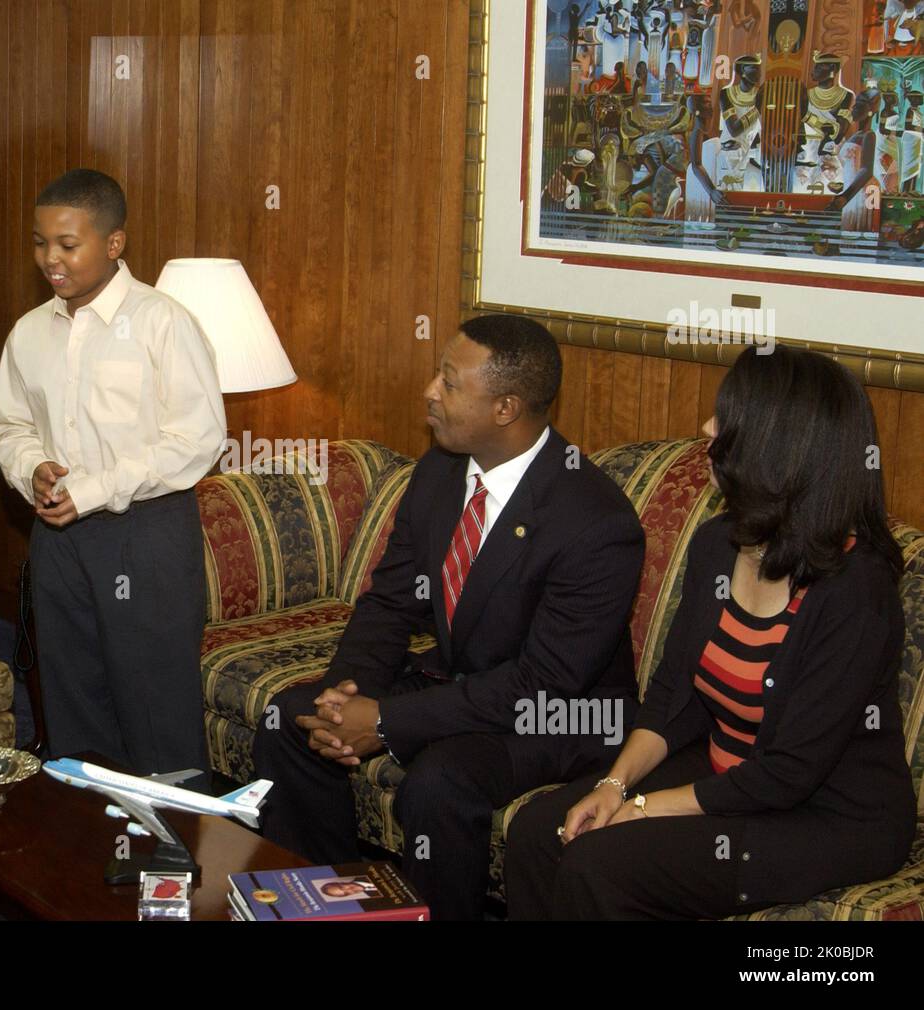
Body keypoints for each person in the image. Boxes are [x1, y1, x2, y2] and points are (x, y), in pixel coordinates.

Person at [252, 314, 645, 921]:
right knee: (290, 720)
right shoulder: (440, 469)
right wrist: (345, 694)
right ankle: (335, 907)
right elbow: (391, 598)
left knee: (439, 782)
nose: (429, 393)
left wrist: (383, 720)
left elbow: (542, 685)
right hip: (463, 681)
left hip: (562, 715)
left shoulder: (595, 521)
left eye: (450, 382)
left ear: (505, 408)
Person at [506, 345, 915, 920]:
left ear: (779, 443)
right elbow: (675, 692)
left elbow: (788, 774)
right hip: (729, 772)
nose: (706, 428)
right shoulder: (719, 543)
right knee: (538, 830)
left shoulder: (854, 590)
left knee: (598, 863)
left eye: (726, 417)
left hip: (825, 814)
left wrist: (645, 809)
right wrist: (615, 786)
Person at [0, 169, 226, 776]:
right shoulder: (29, 331)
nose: (50, 259)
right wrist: (31, 468)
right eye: (40, 242)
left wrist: (91, 490)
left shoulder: (162, 322)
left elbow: (196, 439)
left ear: (113, 244)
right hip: (58, 541)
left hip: (144, 536)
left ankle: (174, 860)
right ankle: (89, 854)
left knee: (154, 709)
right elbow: (11, 427)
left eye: (68, 244)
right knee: (71, 705)